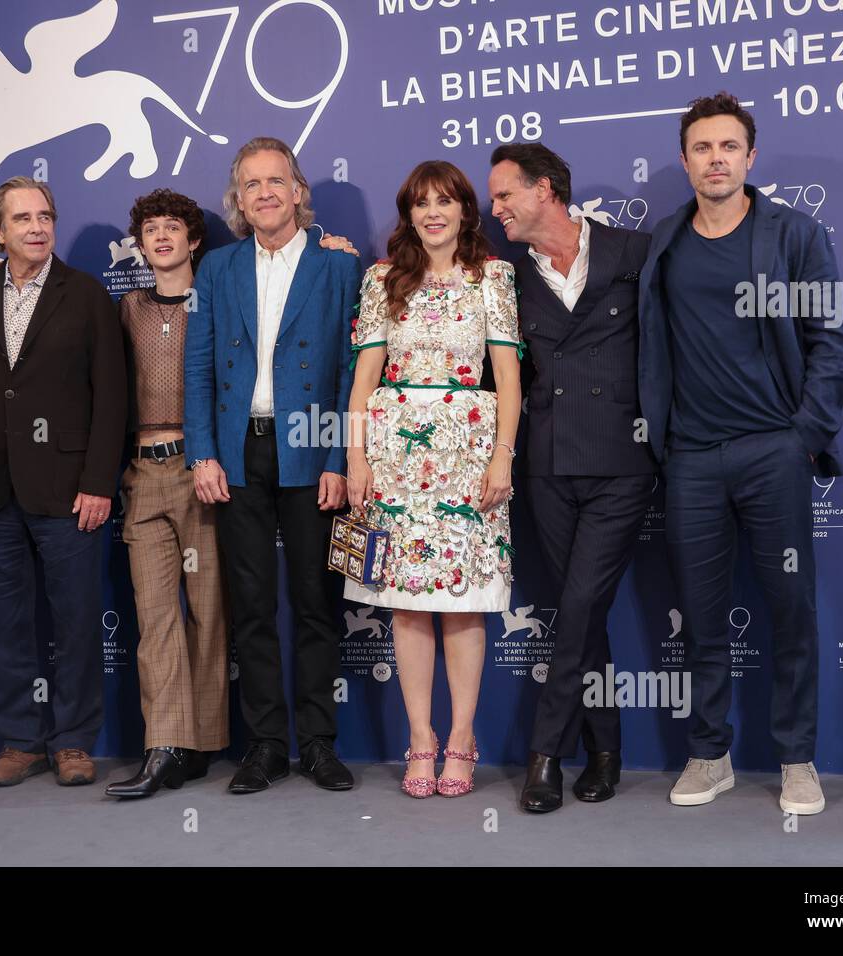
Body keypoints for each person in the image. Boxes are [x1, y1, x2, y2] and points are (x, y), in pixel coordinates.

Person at [638, 92, 843, 814]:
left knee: (791, 610)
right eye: (702, 147)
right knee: (700, 619)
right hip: (692, 460)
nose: (717, 158)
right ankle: (709, 754)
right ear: (685, 159)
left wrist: (803, 439)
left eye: (729, 146)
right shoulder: (665, 243)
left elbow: (831, 343)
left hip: (773, 455)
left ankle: (797, 760)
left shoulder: (794, 234)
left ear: (750, 157)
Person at [184, 137, 362, 794]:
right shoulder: (217, 269)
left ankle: (317, 743)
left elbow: (351, 373)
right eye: (251, 184)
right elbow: (198, 366)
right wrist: (203, 451)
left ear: (297, 191)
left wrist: (341, 456)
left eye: (275, 181)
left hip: (311, 445)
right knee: (252, 605)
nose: (264, 193)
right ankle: (265, 745)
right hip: (238, 448)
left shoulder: (340, 267)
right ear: (239, 198)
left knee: (316, 602)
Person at [486, 144, 657, 813]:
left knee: (581, 606)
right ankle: (607, 750)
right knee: (582, 616)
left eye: (504, 196)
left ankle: (545, 754)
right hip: (549, 467)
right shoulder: (504, 279)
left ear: (546, 189)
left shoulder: (634, 253)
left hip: (622, 462)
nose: (494, 209)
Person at [345, 160, 522, 798]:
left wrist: (503, 454)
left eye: (445, 200)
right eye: (420, 202)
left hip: (470, 454)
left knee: (463, 602)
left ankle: (463, 738)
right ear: (409, 213)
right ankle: (420, 738)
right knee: (408, 603)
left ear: (466, 210)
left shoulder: (493, 278)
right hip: (394, 457)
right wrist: (356, 457)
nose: (433, 212)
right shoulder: (381, 280)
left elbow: (508, 377)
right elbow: (364, 379)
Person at [0, 177, 127, 787]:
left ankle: (74, 741)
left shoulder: (86, 295)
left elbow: (111, 397)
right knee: (3, 622)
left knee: (77, 619)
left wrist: (99, 481)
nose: (36, 227)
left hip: (68, 486)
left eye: (45, 216)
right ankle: (20, 740)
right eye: (22, 218)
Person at [106, 189, 229, 798]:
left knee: (208, 612)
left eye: (172, 227)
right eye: (149, 228)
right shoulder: (125, 307)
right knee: (156, 616)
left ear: (194, 239)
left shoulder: (219, 300)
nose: (160, 237)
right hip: (144, 476)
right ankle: (164, 745)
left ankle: (201, 743)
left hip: (202, 472)